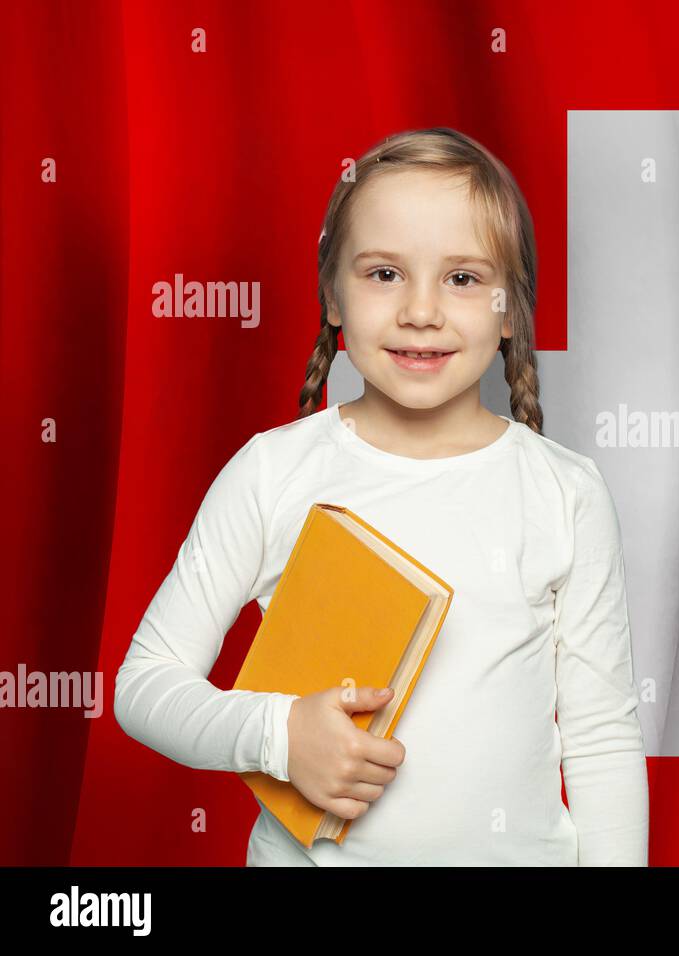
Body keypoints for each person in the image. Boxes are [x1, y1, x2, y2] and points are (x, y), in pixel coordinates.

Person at [113, 127, 649, 866]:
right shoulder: (274, 474)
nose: (420, 310)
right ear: (334, 294)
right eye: (384, 274)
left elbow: (601, 738)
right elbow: (145, 686)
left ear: (509, 311)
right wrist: (280, 737)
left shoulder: (565, 493)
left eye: (462, 278)